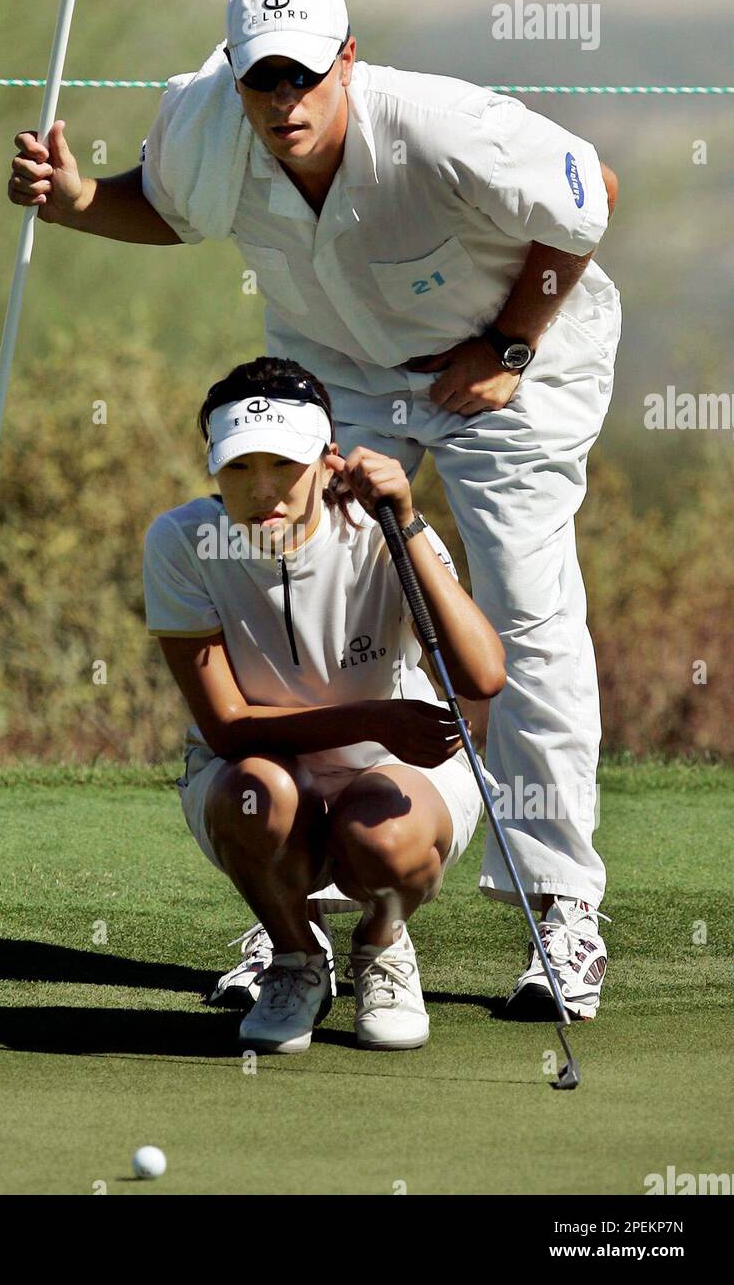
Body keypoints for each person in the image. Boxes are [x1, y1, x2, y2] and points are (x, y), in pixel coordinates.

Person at [8, 0, 620, 1020]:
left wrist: (511, 344)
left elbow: (589, 200)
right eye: (261, 79)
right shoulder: (207, 117)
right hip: (341, 374)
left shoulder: (439, 125)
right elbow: (165, 207)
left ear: (346, 59)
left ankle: (561, 908)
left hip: (509, 371)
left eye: (301, 75)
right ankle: (293, 898)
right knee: (290, 589)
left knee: (523, 609)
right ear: (236, 77)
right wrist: (74, 202)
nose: (281, 102)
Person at [141, 355, 506, 1053]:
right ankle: (295, 957)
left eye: (284, 465)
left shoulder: (375, 528)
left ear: (327, 460)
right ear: (213, 468)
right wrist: (372, 719)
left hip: (396, 774)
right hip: (259, 769)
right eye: (238, 468)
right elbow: (226, 728)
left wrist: (404, 519)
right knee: (257, 790)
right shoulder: (182, 541)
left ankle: (381, 942)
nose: (262, 490)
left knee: (382, 838)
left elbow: (481, 674)